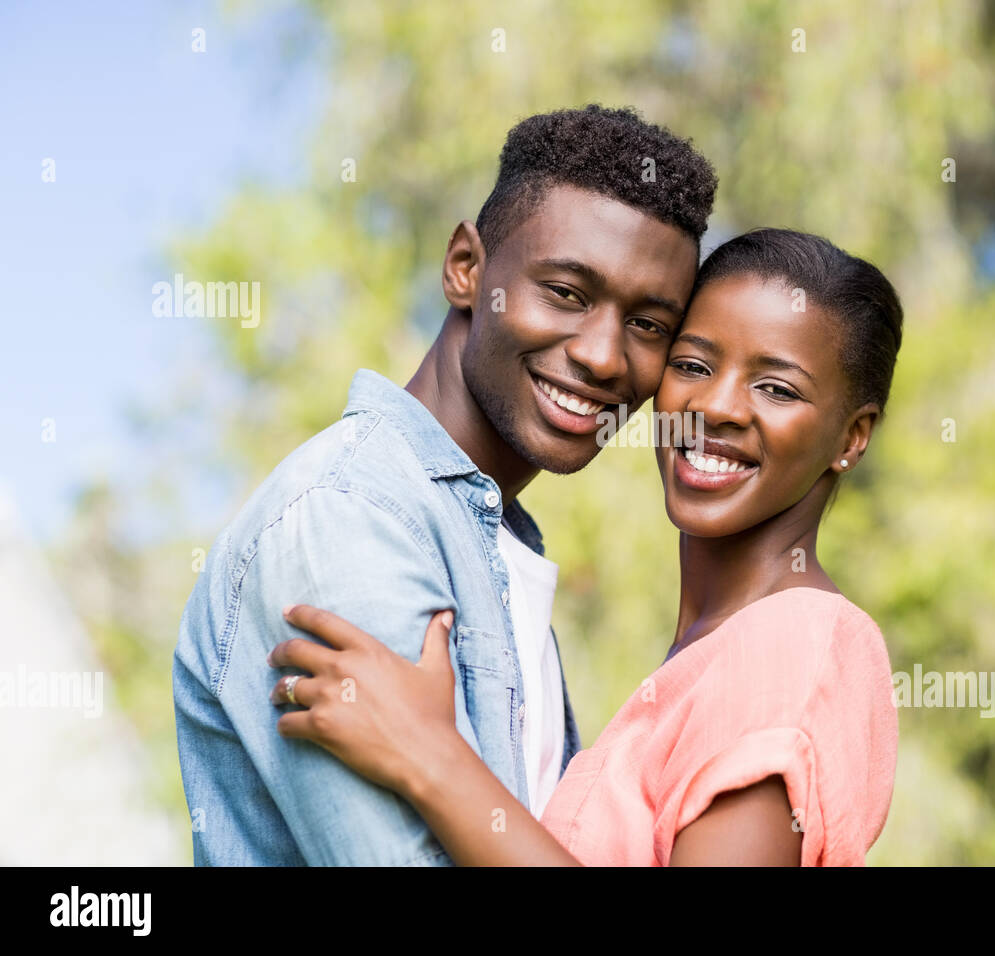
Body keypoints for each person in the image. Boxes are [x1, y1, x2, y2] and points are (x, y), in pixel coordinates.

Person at [171, 105, 718, 865]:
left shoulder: (489, 541)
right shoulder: (351, 519)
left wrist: (438, 763)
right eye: (565, 292)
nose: (603, 356)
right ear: (467, 267)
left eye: (649, 325)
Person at [267, 228, 904, 865]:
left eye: (777, 388)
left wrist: (432, 760)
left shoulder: (795, 648)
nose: (714, 407)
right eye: (692, 366)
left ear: (852, 436)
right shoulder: (713, 650)